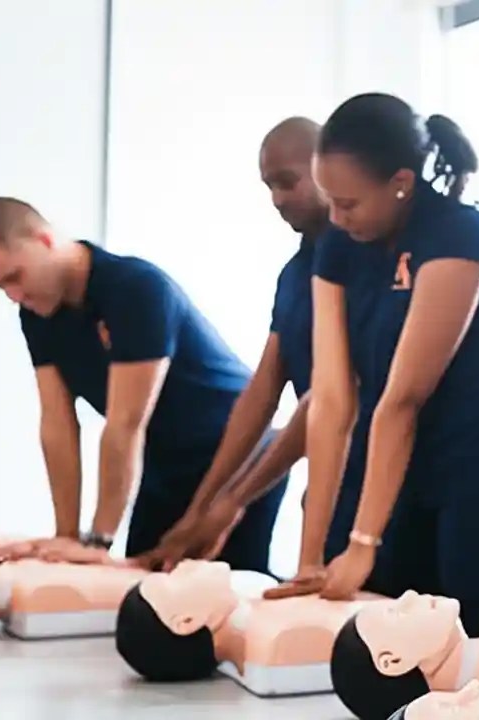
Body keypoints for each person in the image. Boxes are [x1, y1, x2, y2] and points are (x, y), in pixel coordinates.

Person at [265, 93, 479, 639]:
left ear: (400, 182)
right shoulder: (339, 247)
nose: (337, 218)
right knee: (381, 641)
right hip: (398, 469)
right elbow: (331, 399)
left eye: (349, 203)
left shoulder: (458, 233)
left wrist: (363, 542)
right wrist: (312, 555)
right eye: (331, 202)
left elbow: (402, 398)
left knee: (469, 645)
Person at [0, 198, 287, 573]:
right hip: (163, 463)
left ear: (44, 240)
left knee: (213, 598)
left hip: (236, 455)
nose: (14, 296)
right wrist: (66, 537)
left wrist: (99, 540)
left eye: (14, 277)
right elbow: (58, 425)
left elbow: (125, 424)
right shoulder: (37, 315)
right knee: (139, 597)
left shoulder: (135, 289)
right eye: (0, 287)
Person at [137, 116, 330, 569]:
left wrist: (235, 500)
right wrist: (204, 506)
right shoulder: (295, 272)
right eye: (268, 187)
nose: (277, 200)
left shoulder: (362, 263)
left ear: (330, 169)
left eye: (287, 182)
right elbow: (264, 390)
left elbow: (331, 399)